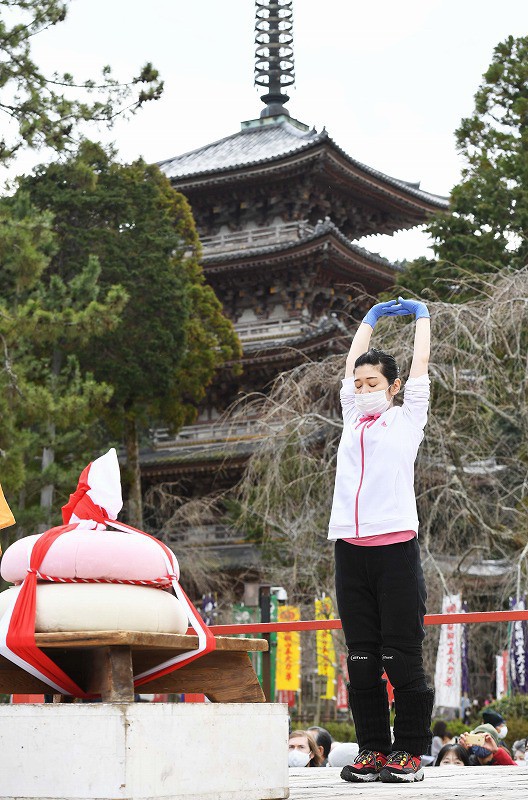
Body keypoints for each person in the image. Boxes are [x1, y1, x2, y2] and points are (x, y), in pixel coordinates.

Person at [329, 297, 434, 784]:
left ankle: (410, 751)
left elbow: (420, 367)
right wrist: (369, 319)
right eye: (359, 383)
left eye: (374, 383)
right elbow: (352, 361)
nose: (364, 389)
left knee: (400, 656)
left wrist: (421, 318)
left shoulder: (407, 418)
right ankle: (372, 749)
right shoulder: (352, 417)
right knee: (362, 659)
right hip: (350, 551)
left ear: (392, 387)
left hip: (394, 551)